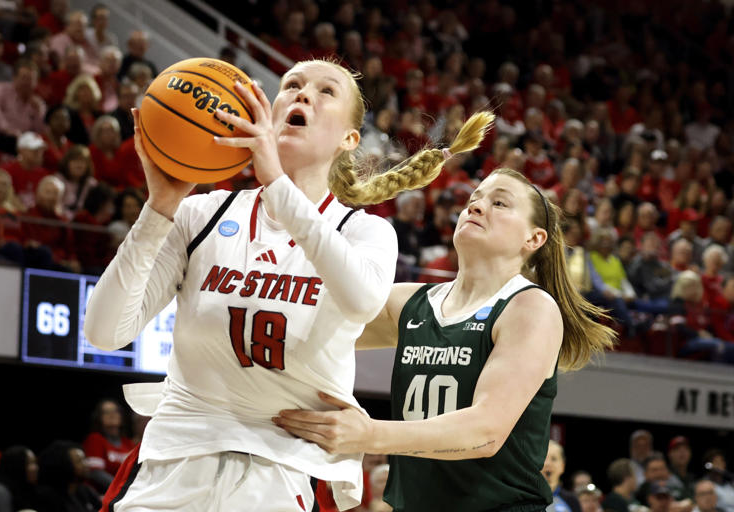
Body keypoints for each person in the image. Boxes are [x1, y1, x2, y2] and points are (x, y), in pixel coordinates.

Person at [84, 59, 494, 511]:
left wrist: (277, 183)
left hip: (284, 472)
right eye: (292, 85)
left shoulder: (364, 232)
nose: (303, 94)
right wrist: (158, 209)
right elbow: (105, 333)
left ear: (349, 140)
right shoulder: (204, 214)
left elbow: (360, 302)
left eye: (326, 91)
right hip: (173, 460)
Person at [275, 166, 616, 511]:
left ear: (534, 239)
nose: (477, 207)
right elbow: (300, 328)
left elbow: (486, 431)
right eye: (474, 200)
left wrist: (369, 434)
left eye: (500, 203)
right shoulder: (411, 303)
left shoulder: (530, 306)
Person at [82, 399, 134, 493]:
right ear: (99, 418)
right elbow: (95, 473)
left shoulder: (128, 443)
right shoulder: (95, 439)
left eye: (115, 411)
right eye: (106, 412)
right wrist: (122, 490)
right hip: (102, 494)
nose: (112, 414)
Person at [0, 445, 41, 512]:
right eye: (30, 463)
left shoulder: (25, 490)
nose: (35, 468)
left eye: (35, 462)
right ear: (16, 466)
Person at [544, 440, 583, 512]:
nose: (548, 463)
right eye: (543, 458)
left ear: (562, 466)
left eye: (554, 459)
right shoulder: (525, 498)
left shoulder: (572, 501)